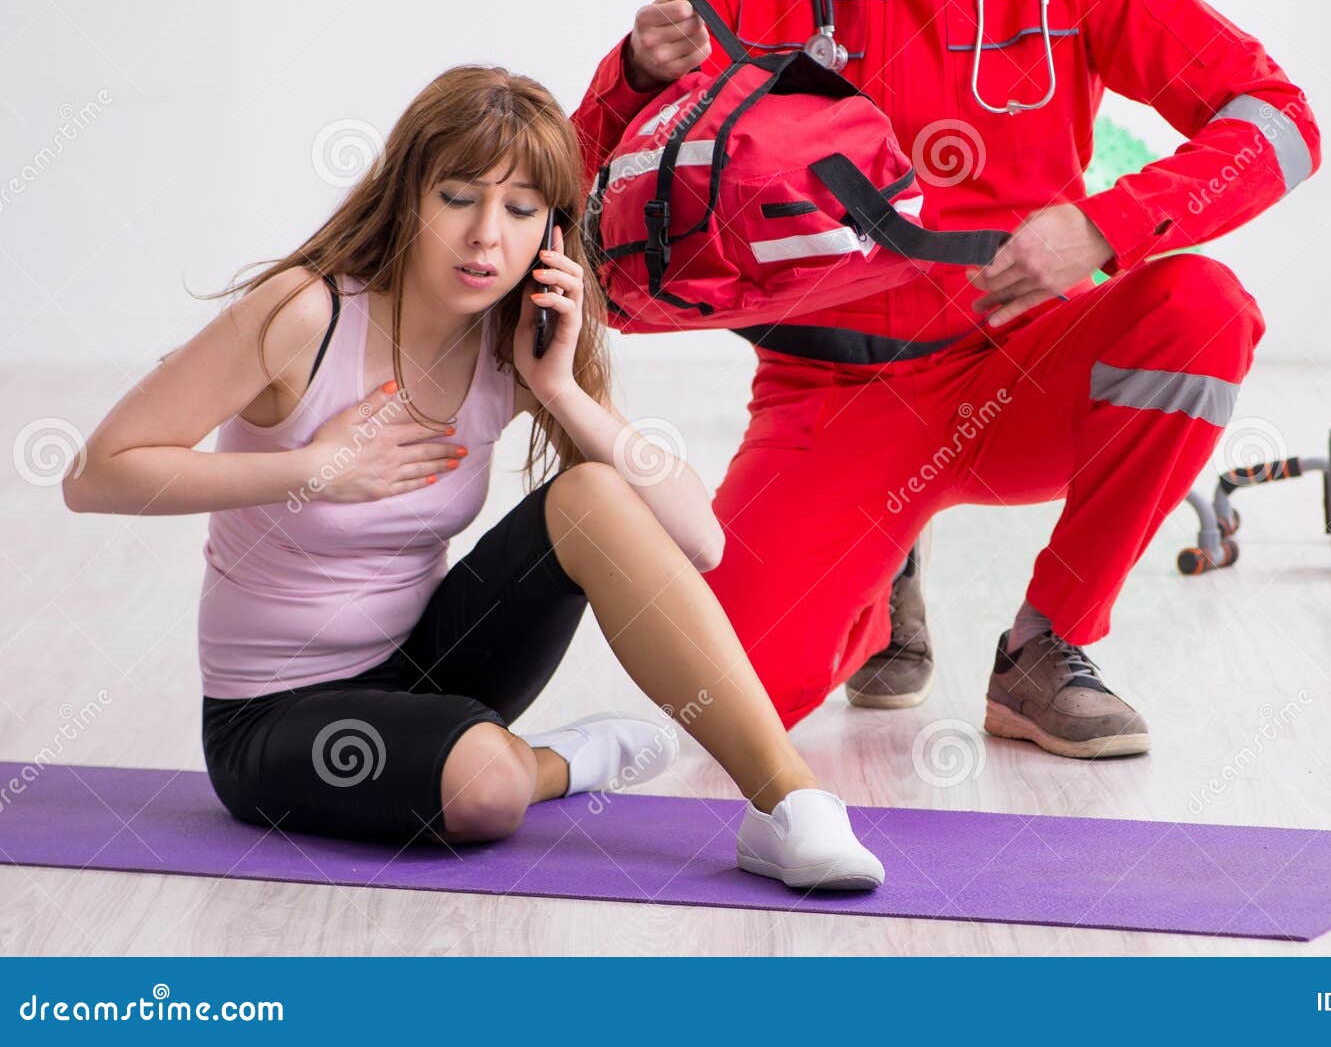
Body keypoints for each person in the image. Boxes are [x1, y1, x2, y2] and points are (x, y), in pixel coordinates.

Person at [574, 0, 1322, 756]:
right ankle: (883, 578)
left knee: (1200, 306)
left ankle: (1044, 649)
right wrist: (636, 73)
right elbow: (590, 187)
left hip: (1025, 367)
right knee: (728, 705)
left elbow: (1281, 120)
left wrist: (1109, 225)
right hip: (838, 387)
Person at [63, 65, 884, 891]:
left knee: (594, 492)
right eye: (459, 196)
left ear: (551, 235)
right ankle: (554, 763)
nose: (487, 235)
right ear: (408, 194)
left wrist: (561, 389)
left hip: (430, 665)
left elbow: (700, 540)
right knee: (487, 790)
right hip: (273, 715)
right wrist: (314, 471)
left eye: (522, 209)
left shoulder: (514, 346)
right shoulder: (304, 314)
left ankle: (792, 806)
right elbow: (97, 473)